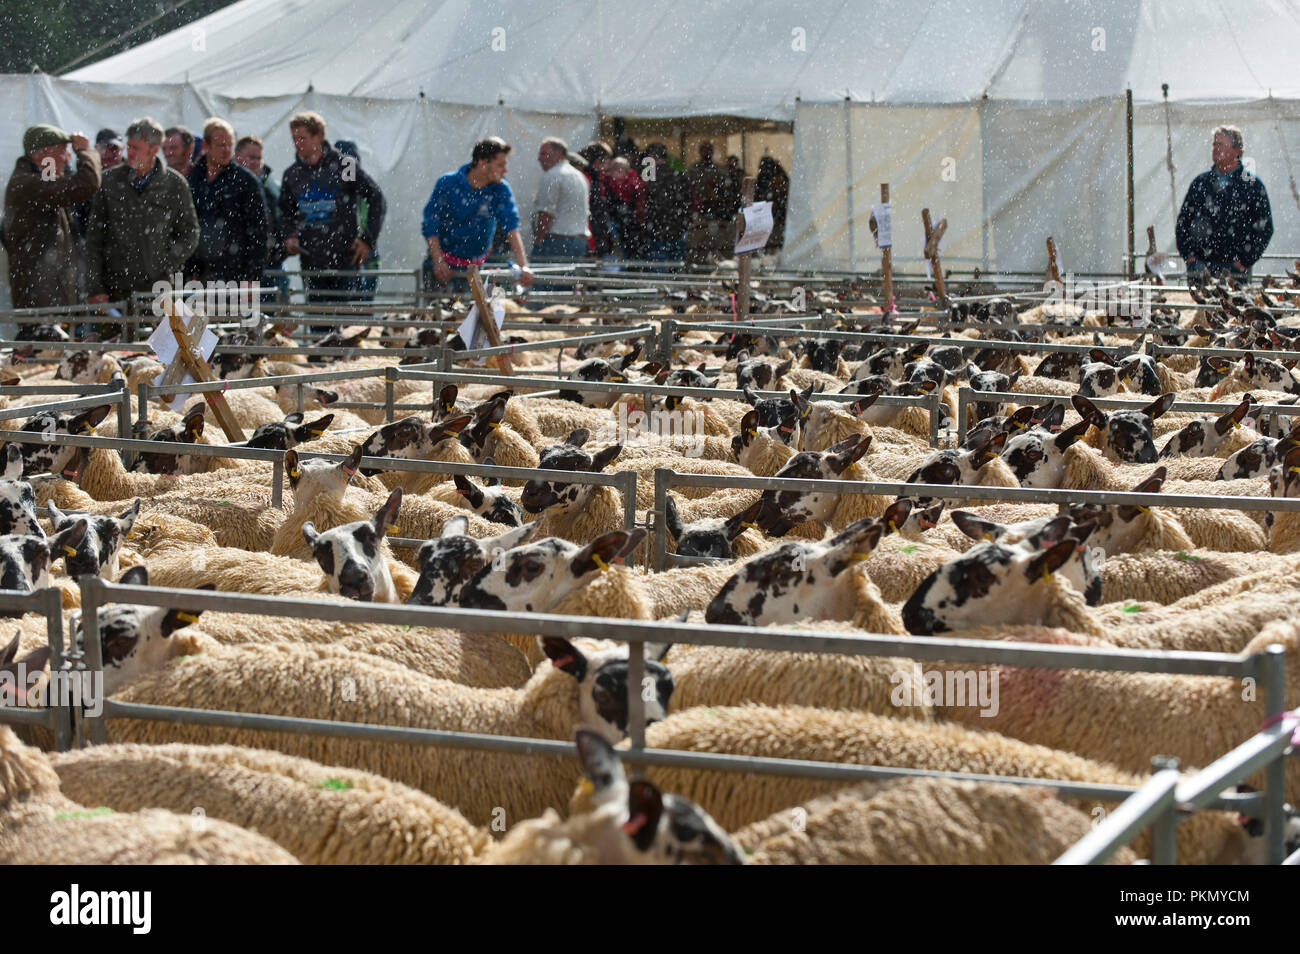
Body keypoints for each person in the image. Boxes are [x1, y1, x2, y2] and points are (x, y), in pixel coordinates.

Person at [278, 110, 386, 313]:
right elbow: (285, 212)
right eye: (294, 138)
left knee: (347, 325)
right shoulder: (292, 174)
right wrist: (289, 236)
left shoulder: (345, 165)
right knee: (318, 326)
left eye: (302, 138)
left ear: (318, 136)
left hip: (346, 259)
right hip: (311, 260)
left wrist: (367, 240)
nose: (297, 143)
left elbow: (376, 198)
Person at [85, 116, 198, 306]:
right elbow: (94, 239)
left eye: (136, 148)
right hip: (114, 290)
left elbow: (190, 232)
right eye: (129, 146)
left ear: (154, 150)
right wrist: (95, 287)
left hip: (157, 291)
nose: (129, 153)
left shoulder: (174, 185)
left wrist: (164, 262)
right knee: (112, 336)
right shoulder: (109, 182)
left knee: (155, 336)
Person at [4, 124, 101, 310]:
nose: (68, 158)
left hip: (50, 298)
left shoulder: (37, 182)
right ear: (46, 153)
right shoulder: (27, 184)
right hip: (42, 303)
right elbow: (86, 184)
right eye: (64, 151)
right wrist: (85, 152)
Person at [422, 137, 535, 293]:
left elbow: (511, 228)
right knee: (439, 315)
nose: (505, 170)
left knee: (474, 315)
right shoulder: (447, 184)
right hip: (444, 268)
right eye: (500, 165)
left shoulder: (500, 189)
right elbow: (430, 225)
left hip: (475, 269)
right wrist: (438, 261)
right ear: (483, 163)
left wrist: (524, 266)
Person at [1176, 125, 1273, 280]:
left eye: (1221, 145)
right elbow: (1183, 223)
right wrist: (1190, 257)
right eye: (1214, 144)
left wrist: (1245, 260)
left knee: (1233, 304)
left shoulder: (1252, 185)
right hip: (1200, 267)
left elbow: (1265, 228)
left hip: (1235, 270)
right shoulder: (1201, 183)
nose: (1215, 149)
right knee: (1202, 304)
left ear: (1236, 150)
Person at [185, 117, 267, 291]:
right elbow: (189, 226)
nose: (226, 150)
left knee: (234, 318)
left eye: (229, 144)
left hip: (235, 272)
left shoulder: (246, 181)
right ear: (206, 146)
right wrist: (191, 269)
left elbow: (258, 230)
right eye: (221, 145)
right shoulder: (194, 180)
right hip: (201, 272)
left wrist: (252, 277)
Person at [235, 134, 288, 303]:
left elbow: (284, 218)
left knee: (277, 323)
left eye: (259, 158)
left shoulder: (271, 187)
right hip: (241, 270)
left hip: (272, 264)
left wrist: (280, 249)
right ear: (238, 157)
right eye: (251, 157)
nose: (256, 162)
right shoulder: (230, 185)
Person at [335, 139, 381, 301]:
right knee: (352, 306)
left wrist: (365, 239)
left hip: (363, 248)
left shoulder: (363, 185)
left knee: (361, 305)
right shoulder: (336, 187)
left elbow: (375, 210)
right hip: (351, 249)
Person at [532, 136, 590, 262]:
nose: (539, 158)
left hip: (557, 241)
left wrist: (538, 242)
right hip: (579, 241)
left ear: (558, 153)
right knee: (568, 280)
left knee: (547, 280)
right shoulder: (579, 176)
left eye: (544, 154)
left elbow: (546, 214)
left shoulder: (552, 175)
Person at [641, 142, 690, 264]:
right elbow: (687, 203)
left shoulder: (649, 179)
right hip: (677, 230)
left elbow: (644, 204)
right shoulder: (679, 176)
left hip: (656, 231)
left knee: (659, 271)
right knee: (677, 270)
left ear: (651, 157)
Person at [686, 142, 735, 264]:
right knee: (700, 236)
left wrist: (717, 185)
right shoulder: (693, 169)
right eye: (704, 150)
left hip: (717, 207)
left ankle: (718, 258)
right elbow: (689, 188)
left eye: (709, 150)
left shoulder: (720, 170)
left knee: (719, 237)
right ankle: (701, 260)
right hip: (699, 209)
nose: (706, 153)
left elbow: (728, 188)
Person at [604, 156, 647, 259]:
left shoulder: (633, 185)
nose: (619, 174)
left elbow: (639, 203)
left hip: (628, 224)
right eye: (616, 171)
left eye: (622, 171)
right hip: (616, 223)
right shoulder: (606, 185)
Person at [578, 141, 615, 257]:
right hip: (591, 240)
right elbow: (587, 214)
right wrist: (592, 245)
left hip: (594, 239)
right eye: (607, 161)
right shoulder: (588, 179)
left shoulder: (596, 178)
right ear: (599, 161)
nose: (609, 166)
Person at [754, 155, 790, 251]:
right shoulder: (762, 177)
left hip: (779, 209)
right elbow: (759, 193)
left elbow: (783, 191)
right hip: (768, 209)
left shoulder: (779, 175)